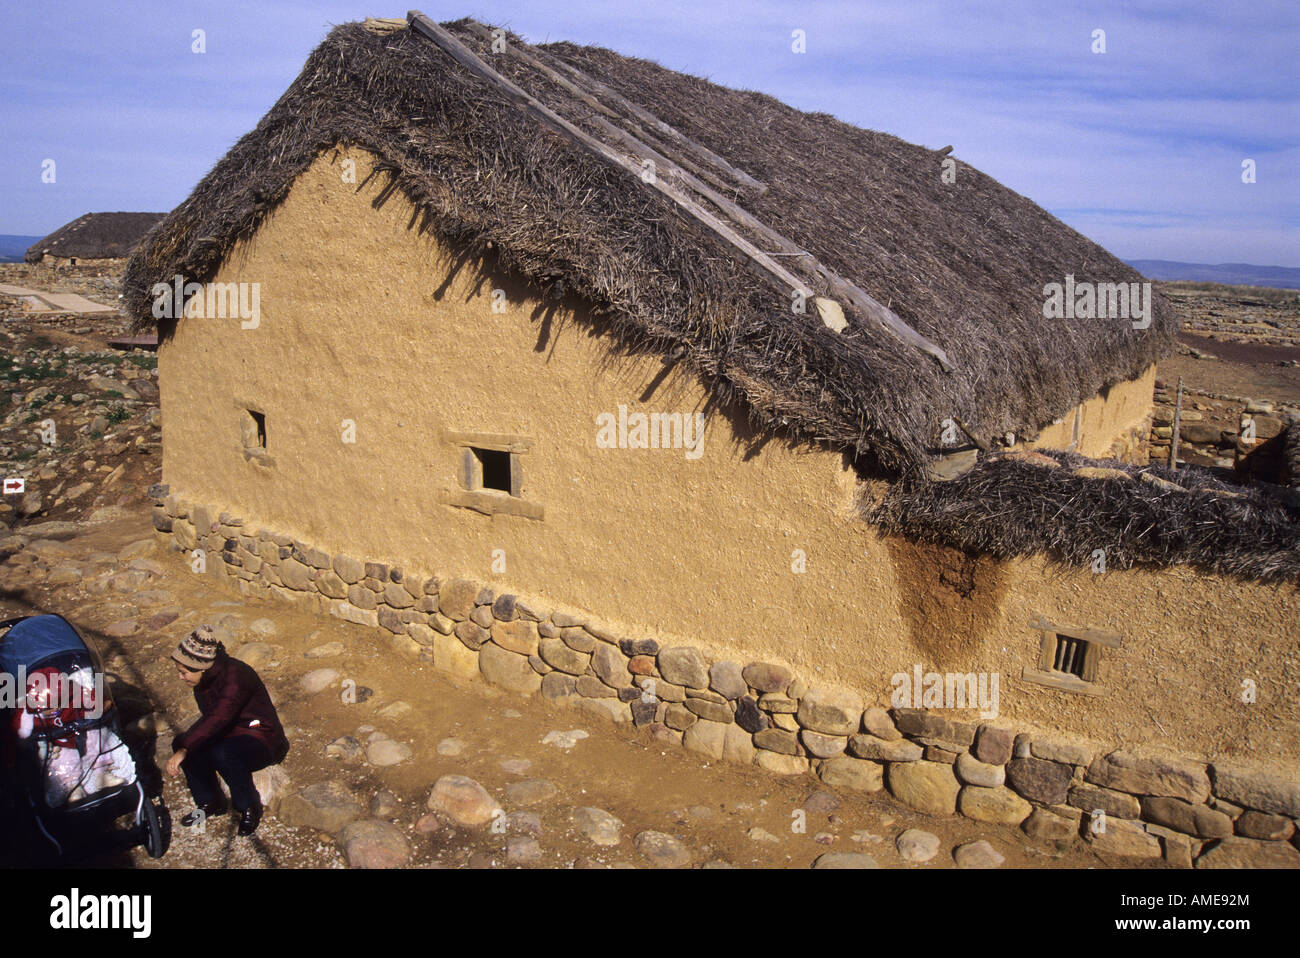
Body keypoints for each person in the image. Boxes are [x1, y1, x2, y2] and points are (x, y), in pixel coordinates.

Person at [165, 625, 289, 836]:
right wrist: (185, 746)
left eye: (183, 672)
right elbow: (213, 720)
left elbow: (220, 715)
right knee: (182, 741)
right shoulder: (205, 679)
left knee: (219, 752)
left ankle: (248, 807)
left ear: (200, 668)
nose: (181, 677)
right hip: (231, 733)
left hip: (260, 736)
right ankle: (210, 801)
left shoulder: (236, 675)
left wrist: (187, 749)